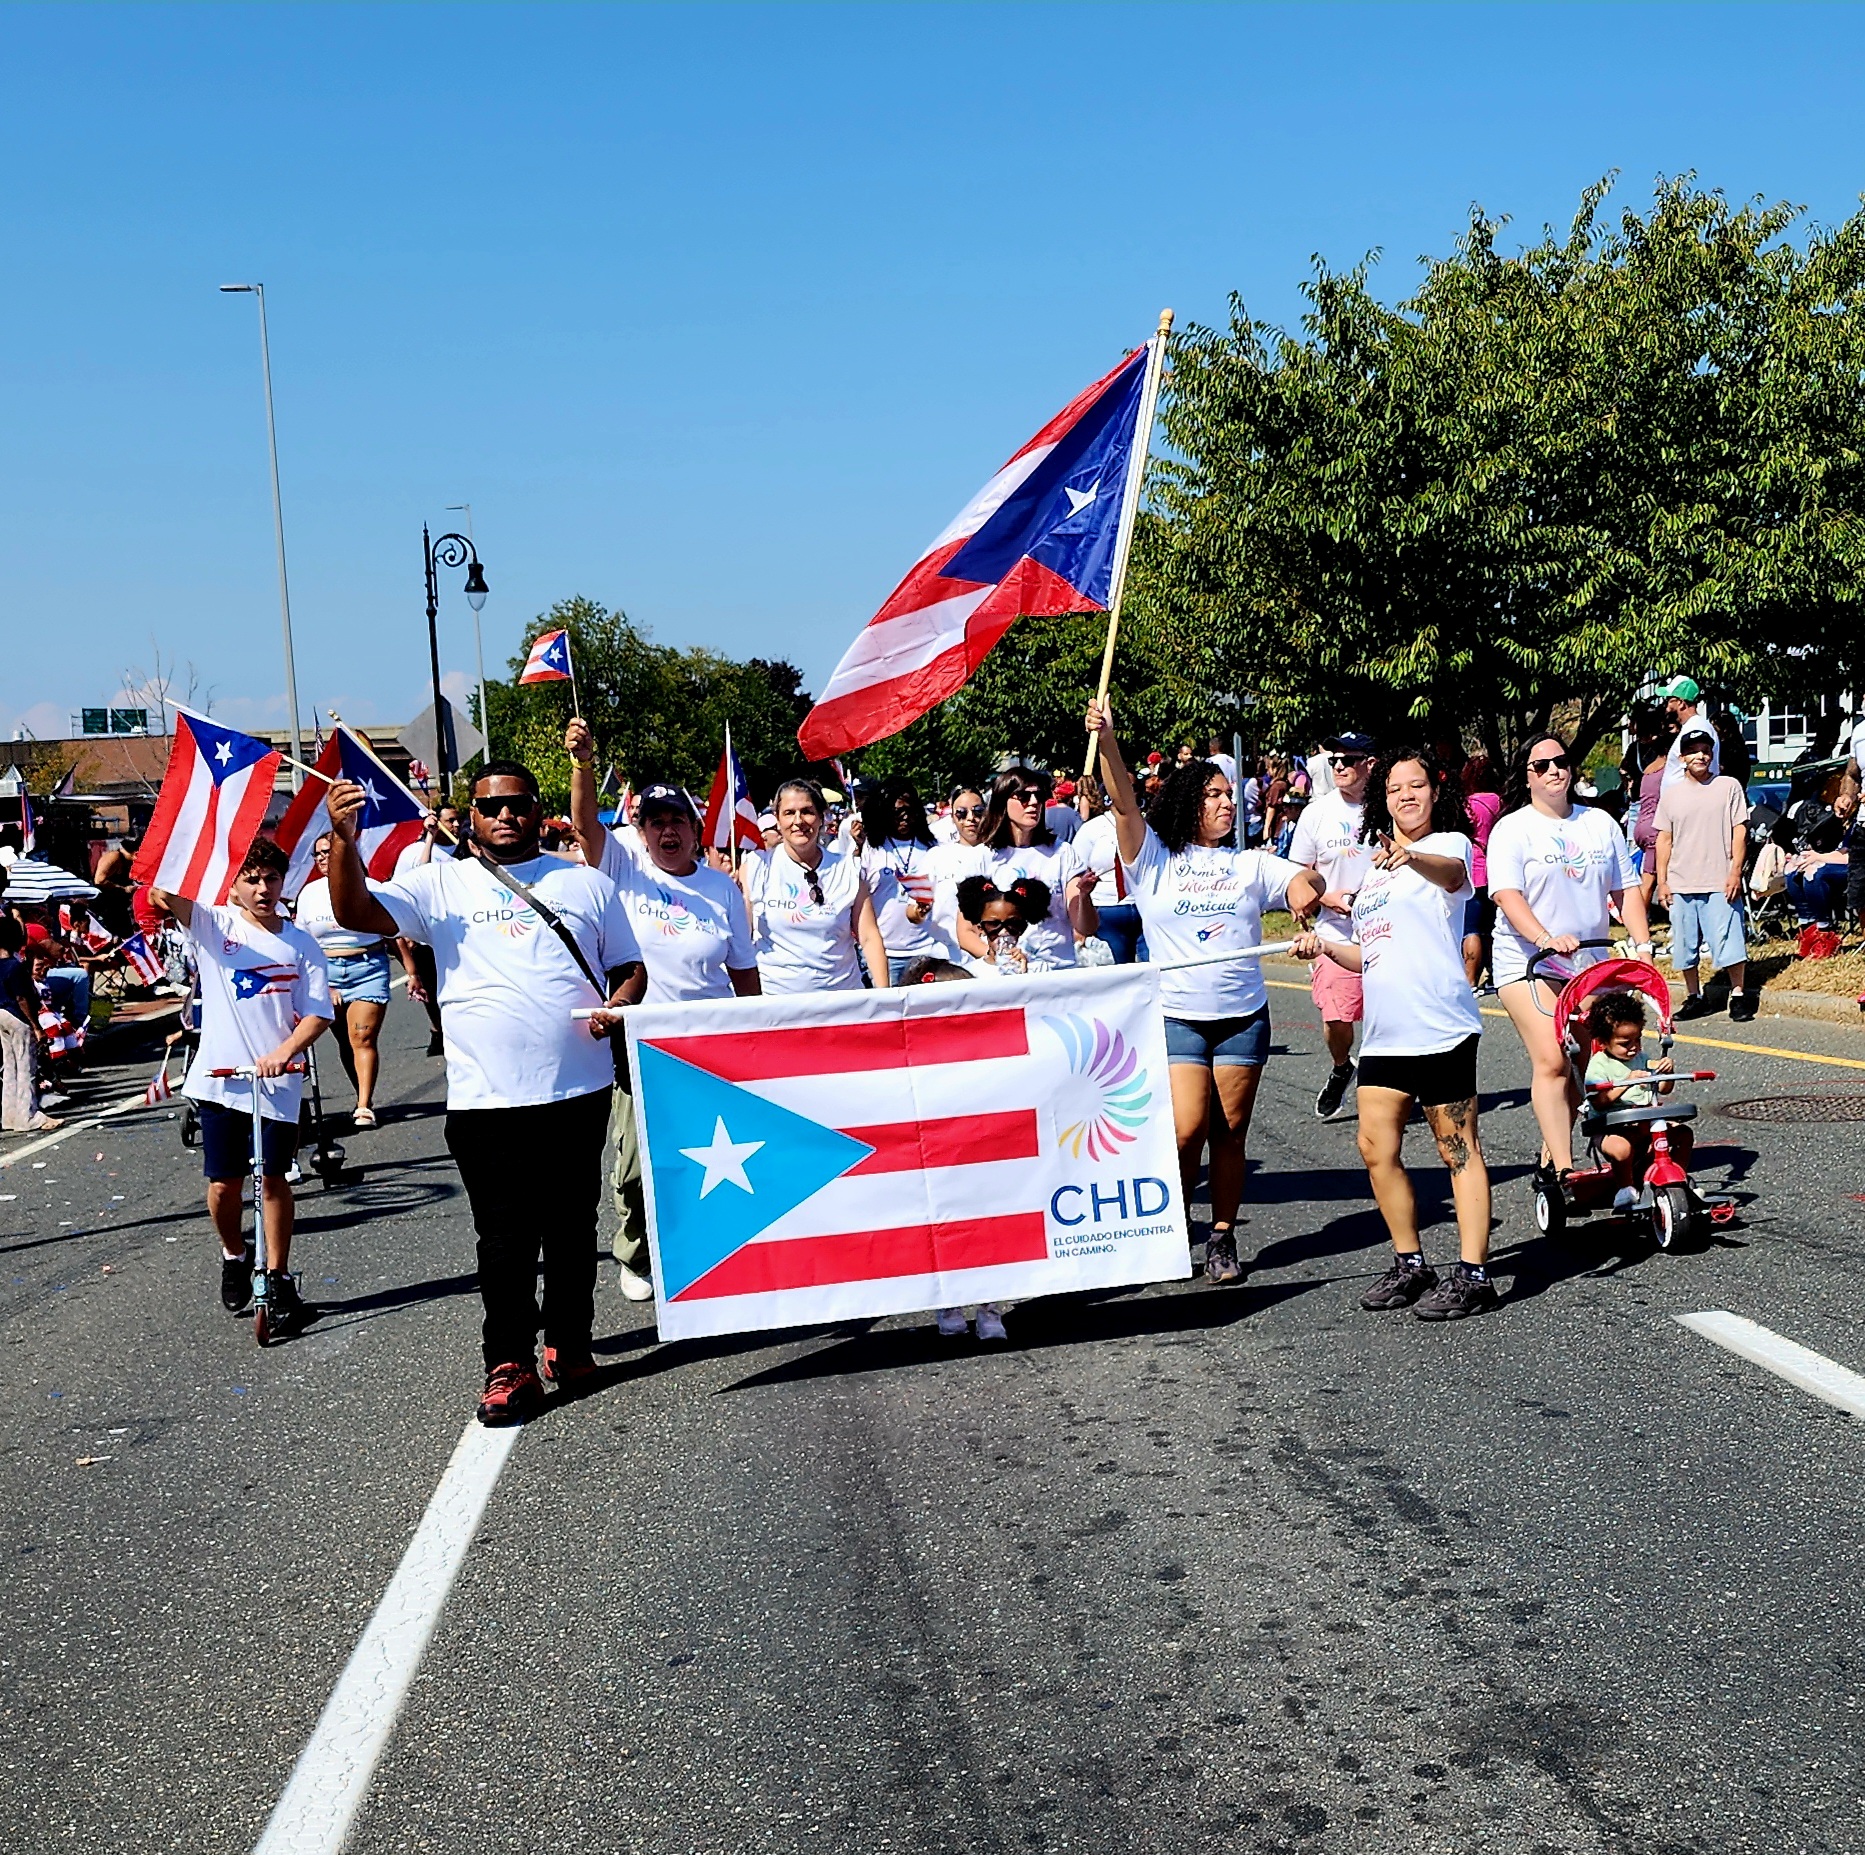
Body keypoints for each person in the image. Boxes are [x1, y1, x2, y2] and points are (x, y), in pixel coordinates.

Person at [324, 759, 643, 1426]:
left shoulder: (585, 882)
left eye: (517, 803)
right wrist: (345, 842)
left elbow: (630, 966)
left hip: (578, 1089)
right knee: (504, 1238)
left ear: (537, 809)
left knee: (571, 1227)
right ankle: (508, 1362)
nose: (504, 815)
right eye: (490, 806)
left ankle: (569, 1343)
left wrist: (618, 1004)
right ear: (469, 815)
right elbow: (355, 911)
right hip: (484, 1101)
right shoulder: (437, 883)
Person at [1089, 702, 1323, 1284]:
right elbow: (1123, 802)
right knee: (1187, 1127)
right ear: (1187, 800)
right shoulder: (1152, 857)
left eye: (1229, 794)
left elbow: (1304, 878)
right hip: (1177, 1015)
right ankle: (1168, 1226)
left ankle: (1222, 1236)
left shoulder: (1250, 864)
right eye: (1213, 794)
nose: (1226, 802)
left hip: (1243, 1016)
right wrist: (1109, 741)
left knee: (1230, 1132)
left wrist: (1304, 893)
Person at [1293, 749, 1495, 1320]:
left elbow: (1452, 876)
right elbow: (1370, 953)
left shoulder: (1449, 845)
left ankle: (1474, 1274)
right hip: (1385, 1036)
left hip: (1440, 1027)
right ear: (1382, 800)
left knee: (1457, 1149)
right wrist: (1325, 946)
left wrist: (1410, 855)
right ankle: (1411, 1263)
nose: (1406, 796)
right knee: (1375, 1148)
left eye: (1417, 785)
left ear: (1435, 792)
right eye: (1395, 789)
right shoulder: (1374, 873)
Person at [565, 718, 759, 1304]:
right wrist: (582, 763)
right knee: (635, 1161)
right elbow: (584, 825)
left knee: (713, 1151)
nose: (667, 830)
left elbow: (743, 971)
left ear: (696, 829)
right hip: (638, 1039)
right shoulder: (624, 872)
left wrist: (756, 1033)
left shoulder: (722, 889)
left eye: (677, 820)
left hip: (707, 1040)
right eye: (655, 822)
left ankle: (710, 1247)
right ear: (641, 831)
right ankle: (636, 1252)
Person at [150, 837, 332, 1328]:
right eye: (251, 880)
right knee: (223, 1185)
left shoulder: (301, 943)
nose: (263, 889)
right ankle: (234, 1253)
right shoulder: (214, 925)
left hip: (277, 1083)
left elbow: (318, 1013)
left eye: (271, 878)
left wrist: (284, 1053)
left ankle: (277, 1275)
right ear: (232, 886)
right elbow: (163, 893)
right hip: (220, 1081)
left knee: (273, 1179)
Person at [1486, 733, 1653, 1192]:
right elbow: (1506, 896)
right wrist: (1544, 938)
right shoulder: (1512, 829)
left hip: (1588, 963)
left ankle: (1550, 1151)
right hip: (1528, 961)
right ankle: (1563, 1170)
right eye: (1541, 765)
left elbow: (1625, 889)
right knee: (1553, 1058)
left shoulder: (1599, 822)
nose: (1554, 771)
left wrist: (1642, 946)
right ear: (1527, 776)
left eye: (1560, 761)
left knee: (1584, 1065)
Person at [1290, 732, 1378, 1120]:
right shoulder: (1317, 813)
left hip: (1386, 932)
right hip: (1335, 932)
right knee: (1337, 1017)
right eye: (1334, 761)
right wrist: (1327, 898)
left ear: (1370, 764)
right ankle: (1343, 1065)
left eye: (1348, 760)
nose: (1339, 766)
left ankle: (1384, 1089)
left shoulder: (1389, 807)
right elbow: (1298, 874)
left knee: (1386, 1017)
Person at [741, 778, 888, 994]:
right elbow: (743, 939)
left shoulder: (848, 869)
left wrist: (884, 995)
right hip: (777, 1000)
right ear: (777, 820)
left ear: (821, 817)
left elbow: (868, 937)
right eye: (789, 813)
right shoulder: (757, 866)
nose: (798, 821)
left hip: (840, 998)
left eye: (807, 812)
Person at [945, 767, 1096, 969]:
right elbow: (966, 932)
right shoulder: (982, 857)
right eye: (1023, 796)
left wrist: (1084, 896)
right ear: (1003, 801)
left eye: (1039, 796)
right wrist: (1000, 959)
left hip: (1057, 971)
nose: (1033, 802)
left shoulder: (1062, 853)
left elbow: (1086, 927)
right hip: (1006, 974)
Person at [1654, 721, 1753, 1021]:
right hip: (1681, 881)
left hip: (1719, 879)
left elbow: (1740, 831)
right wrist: (1662, 881)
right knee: (1685, 946)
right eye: (1693, 751)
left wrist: (1735, 872)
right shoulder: (1671, 795)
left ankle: (1738, 994)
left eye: (1705, 751)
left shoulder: (1728, 787)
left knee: (1730, 940)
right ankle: (1694, 996)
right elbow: (1664, 839)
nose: (1700, 756)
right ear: (1682, 757)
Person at [293, 833, 392, 1127]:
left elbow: (393, 932)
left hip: (368, 967)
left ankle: (364, 1106)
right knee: (346, 1041)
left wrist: (412, 973)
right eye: (319, 854)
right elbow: (303, 944)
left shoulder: (370, 887)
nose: (324, 858)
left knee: (362, 1037)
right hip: (326, 971)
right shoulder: (309, 894)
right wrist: (322, 983)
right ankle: (361, 1093)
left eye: (329, 851)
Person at [1583, 992, 1692, 1195]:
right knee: (1622, 1149)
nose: (1634, 1047)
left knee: (1683, 1134)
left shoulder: (1641, 1058)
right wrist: (1626, 1082)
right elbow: (1599, 1101)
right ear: (1603, 1041)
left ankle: (1678, 1179)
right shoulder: (1599, 1065)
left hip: (1643, 1123)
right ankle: (1626, 1189)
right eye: (1625, 1043)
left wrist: (1667, 1074)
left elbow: (1663, 1089)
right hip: (1609, 1127)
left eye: (1637, 1039)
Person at [858, 777, 948, 983]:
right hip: (884, 953)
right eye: (897, 811)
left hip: (927, 950)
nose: (905, 817)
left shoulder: (932, 846)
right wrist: (857, 849)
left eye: (909, 810)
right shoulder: (872, 848)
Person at [394, 804, 463, 1057]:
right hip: (425, 934)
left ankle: (453, 1032)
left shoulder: (463, 850)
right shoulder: (413, 852)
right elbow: (410, 886)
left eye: (458, 820)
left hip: (457, 932)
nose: (456, 825)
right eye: (450, 820)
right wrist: (430, 838)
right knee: (432, 988)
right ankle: (439, 1030)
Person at [1072, 774, 1143, 965]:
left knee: (1151, 968)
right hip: (1106, 910)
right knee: (1120, 970)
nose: (1130, 793)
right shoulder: (1092, 829)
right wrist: (1080, 922)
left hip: (1144, 907)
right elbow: (1076, 873)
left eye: (1134, 788)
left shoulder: (1146, 827)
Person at [0, 915, 59, 1132]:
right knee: (26, 1066)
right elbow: (22, 998)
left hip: (0, 1015)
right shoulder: (14, 967)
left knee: (9, 1067)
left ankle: (9, 1115)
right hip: (17, 1016)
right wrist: (36, 1026)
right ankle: (28, 1116)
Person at [955, 875, 1059, 975]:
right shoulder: (970, 973)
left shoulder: (1038, 969)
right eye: (994, 924)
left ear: (1023, 927)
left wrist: (1024, 972)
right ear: (981, 928)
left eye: (1013, 924)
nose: (1003, 932)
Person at [925, 784, 988, 946]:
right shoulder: (937, 856)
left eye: (978, 811)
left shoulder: (1001, 855)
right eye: (961, 813)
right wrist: (918, 911)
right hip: (947, 951)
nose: (970, 818)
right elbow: (913, 910)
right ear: (952, 817)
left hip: (991, 951)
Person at [1460, 753, 1503, 985]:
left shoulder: (1468, 804)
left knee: (1471, 929)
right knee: (1491, 928)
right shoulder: (1500, 801)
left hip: (1474, 871)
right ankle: (1495, 974)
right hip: (1495, 870)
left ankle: (1470, 979)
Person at [1655, 676, 1721, 791]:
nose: (1666, 707)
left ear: (1681, 703)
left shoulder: (1696, 728)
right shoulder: (1693, 726)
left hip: (1688, 799)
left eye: (1669, 700)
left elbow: (1698, 769)